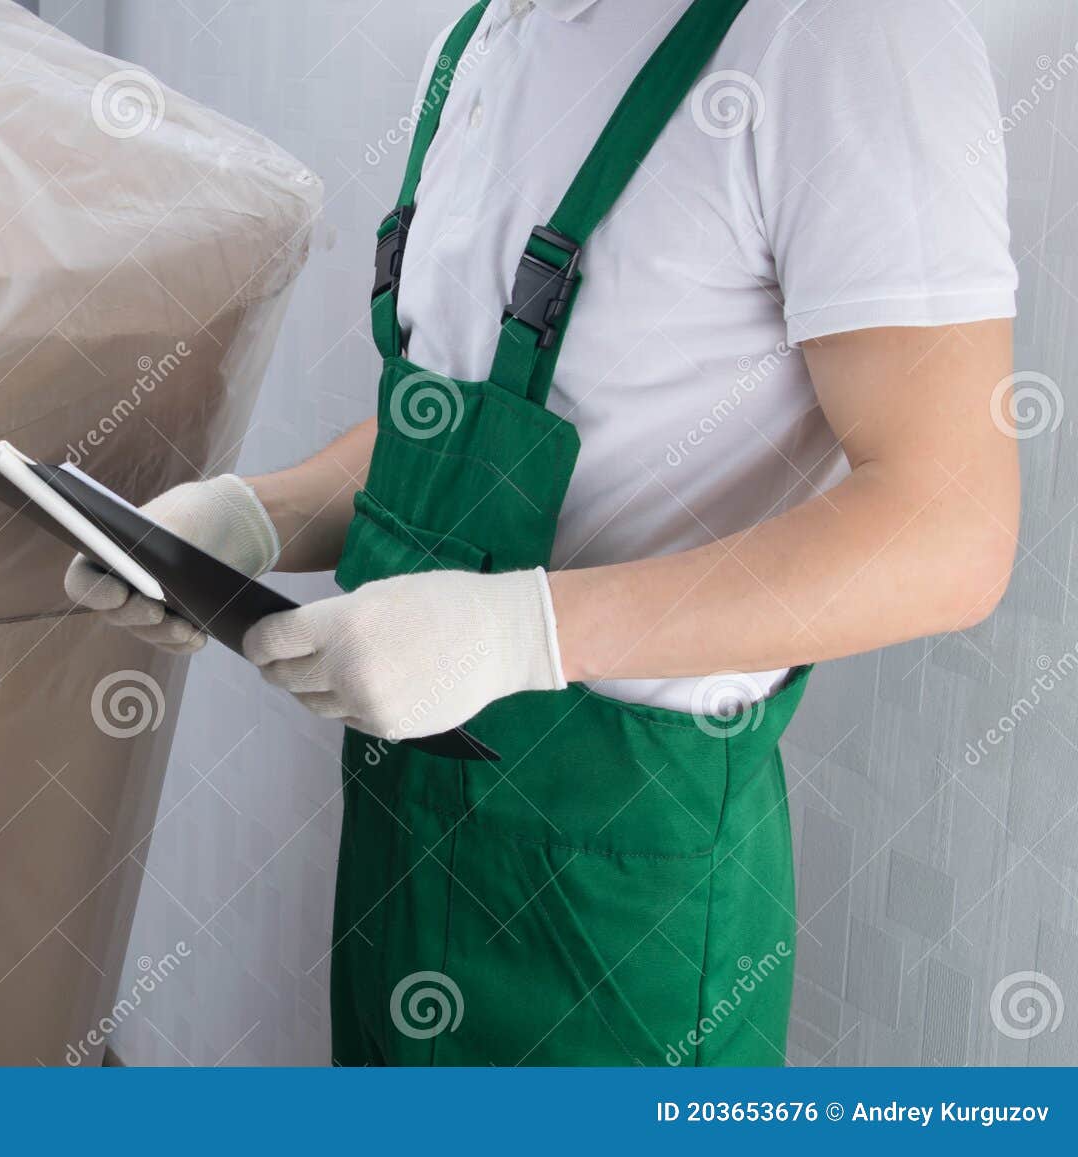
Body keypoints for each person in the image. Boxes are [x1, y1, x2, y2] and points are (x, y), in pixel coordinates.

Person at [67, 0, 1019, 1065]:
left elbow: (946, 531)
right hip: (405, 828)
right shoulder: (479, 40)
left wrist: (518, 631)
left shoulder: (846, 41)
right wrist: (252, 516)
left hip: (620, 893)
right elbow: (455, 422)